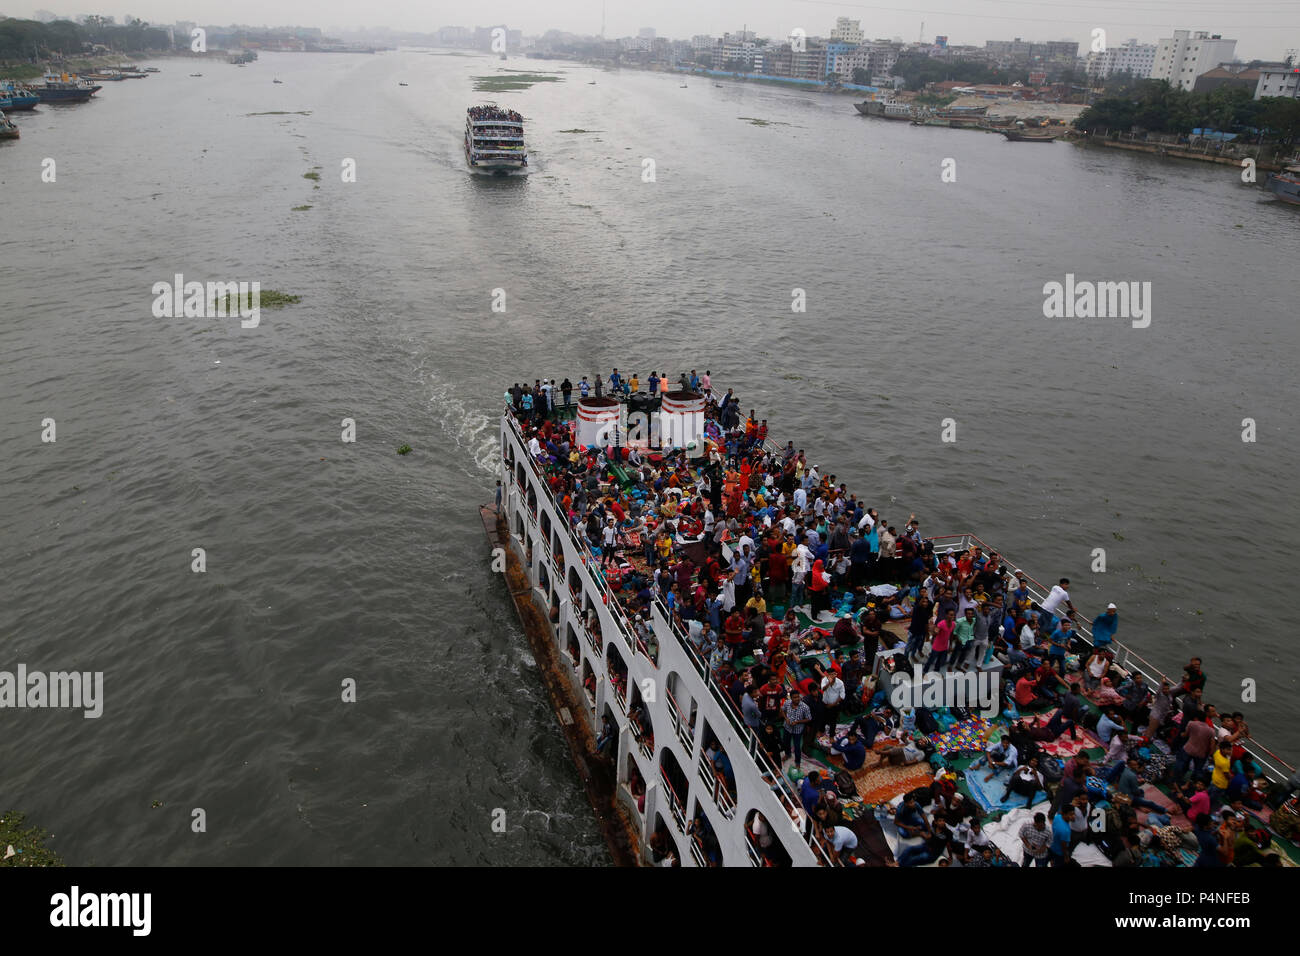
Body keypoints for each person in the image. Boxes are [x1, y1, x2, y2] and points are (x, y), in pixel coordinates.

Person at [782, 691, 812, 770]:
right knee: (786, 742)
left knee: (797, 747)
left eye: (798, 697)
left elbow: (809, 718)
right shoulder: (787, 703)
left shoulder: (805, 707)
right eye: (794, 697)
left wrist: (798, 722)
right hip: (787, 728)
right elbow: (782, 711)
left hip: (797, 731)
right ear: (791, 698)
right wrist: (786, 719)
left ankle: (797, 762)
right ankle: (787, 754)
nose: (797, 699)